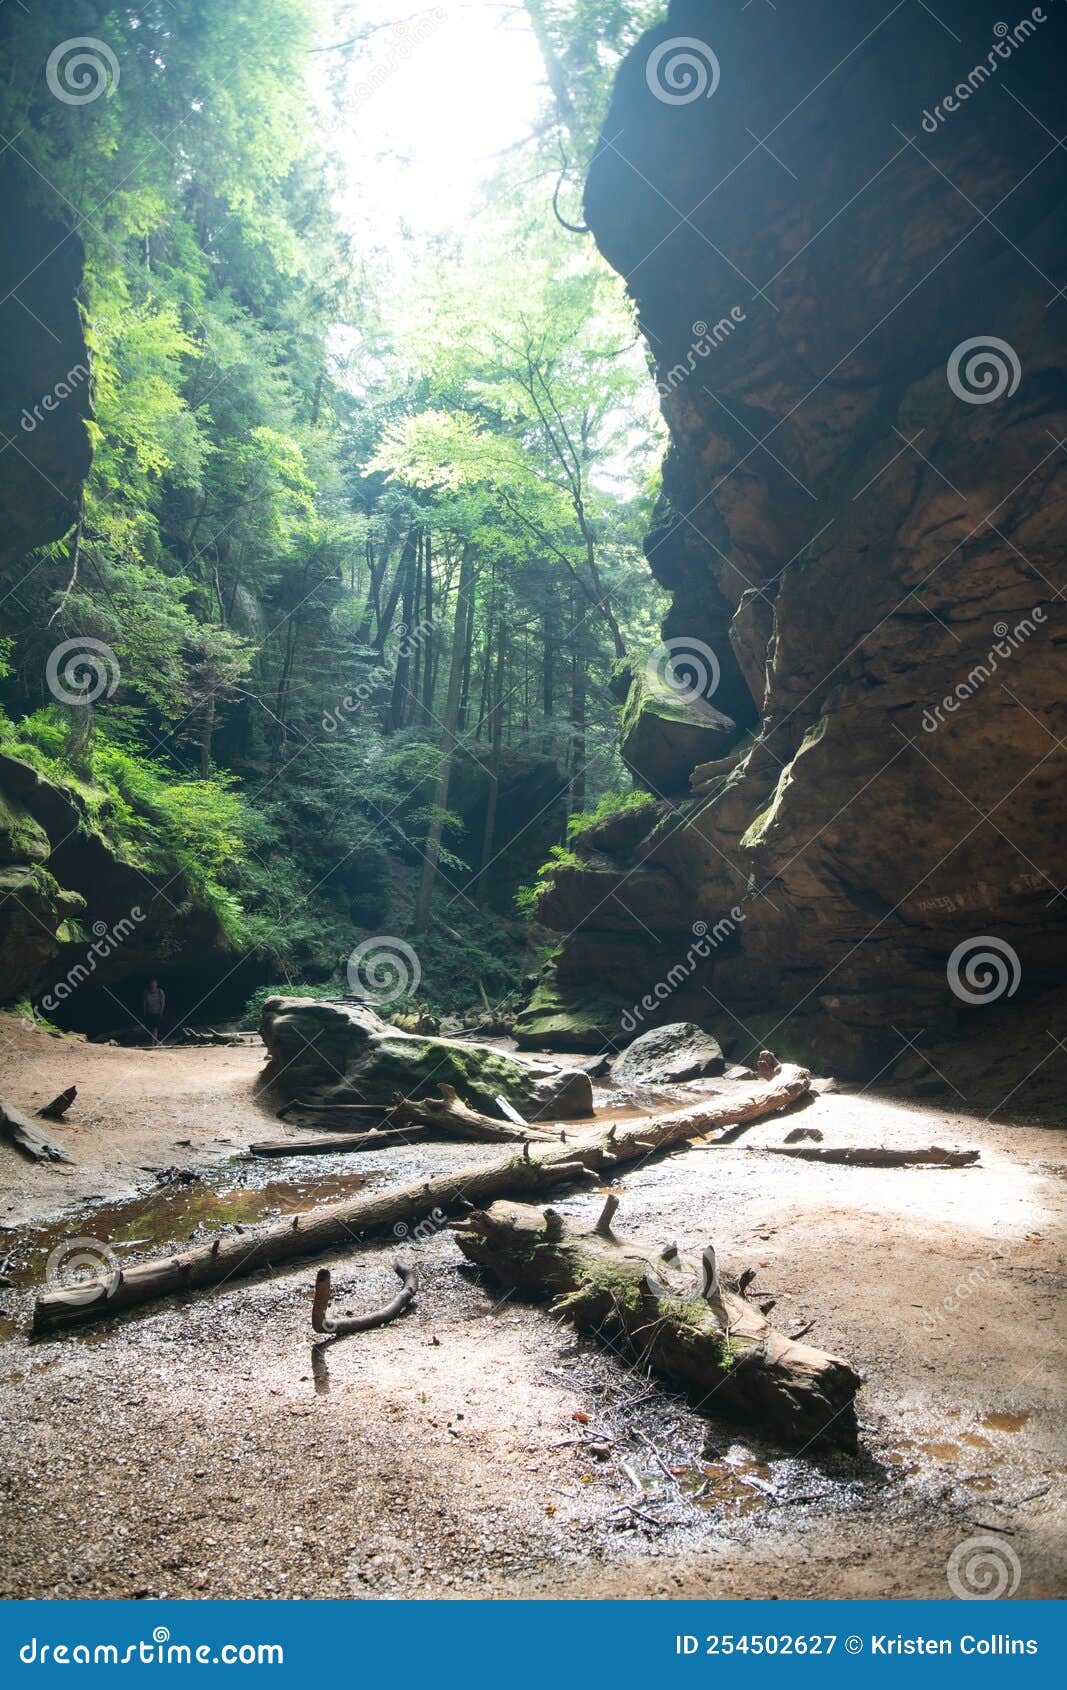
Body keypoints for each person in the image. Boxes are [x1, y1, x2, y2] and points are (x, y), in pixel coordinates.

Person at [142, 978, 166, 1044]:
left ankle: (153, 1042)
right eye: (152, 984)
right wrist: (144, 1012)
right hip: (149, 1012)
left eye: (154, 983)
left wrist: (161, 1011)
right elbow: (144, 1003)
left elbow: (163, 1002)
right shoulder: (146, 992)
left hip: (157, 1012)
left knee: (155, 1028)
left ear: (156, 984)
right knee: (151, 1028)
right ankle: (155, 1040)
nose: (153, 985)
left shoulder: (160, 991)